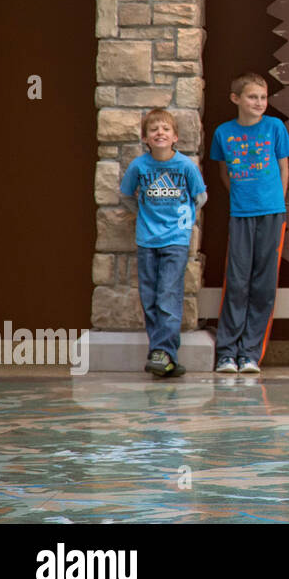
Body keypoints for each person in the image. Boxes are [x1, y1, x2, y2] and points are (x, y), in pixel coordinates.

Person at [209, 72, 289, 375]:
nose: (259, 102)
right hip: (240, 215)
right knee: (237, 282)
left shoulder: (275, 128)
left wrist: (277, 202)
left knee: (263, 285)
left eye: (263, 97)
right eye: (252, 97)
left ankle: (250, 354)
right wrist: (243, 199)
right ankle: (226, 354)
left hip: (272, 214)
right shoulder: (223, 133)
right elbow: (224, 174)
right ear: (236, 99)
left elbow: (284, 168)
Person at [119, 109, 207, 378]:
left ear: (175, 137)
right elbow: (126, 196)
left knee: (168, 295)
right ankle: (165, 355)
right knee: (151, 299)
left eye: (165, 129)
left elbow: (200, 197)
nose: (160, 133)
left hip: (175, 241)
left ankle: (162, 353)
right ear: (146, 138)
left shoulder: (185, 167)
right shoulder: (139, 167)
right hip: (147, 240)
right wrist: (146, 215)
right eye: (154, 129)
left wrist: (184, 221)